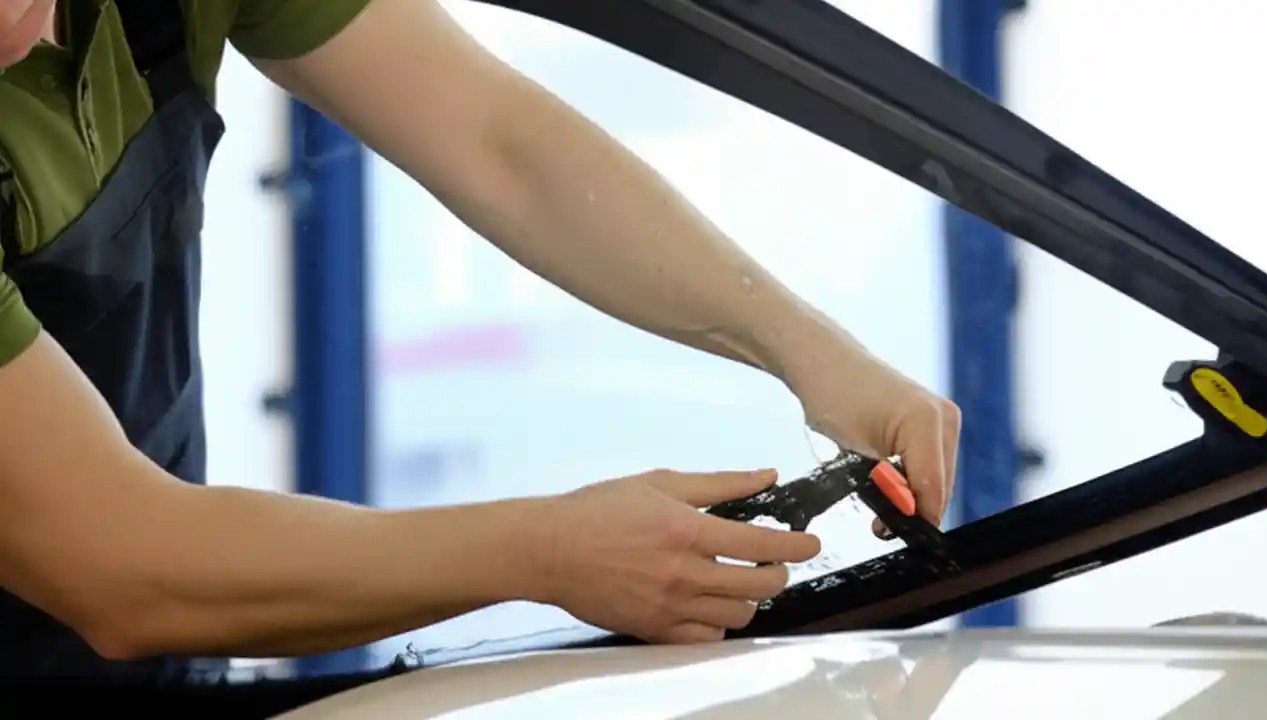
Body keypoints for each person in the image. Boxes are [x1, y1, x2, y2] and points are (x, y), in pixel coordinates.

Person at [0, 0, 960, 684]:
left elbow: (498, 144)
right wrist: (549, 553)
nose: (27, 25)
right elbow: (119, 563)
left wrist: (813, 350)